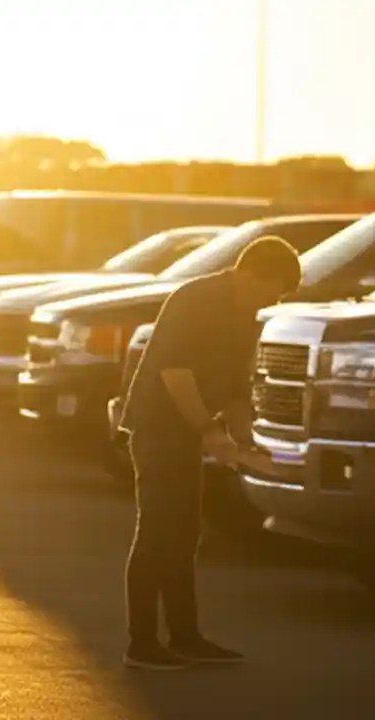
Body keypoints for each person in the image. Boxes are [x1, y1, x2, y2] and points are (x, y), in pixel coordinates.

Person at [119, 236, 300, 670]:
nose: (270, 301)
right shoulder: (196, 299)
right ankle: (141, 642)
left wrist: (245, 441)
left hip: (188, 428)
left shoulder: (243, 314)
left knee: (184, 532)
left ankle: (185, 636)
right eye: (271, 290)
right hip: (157, 425)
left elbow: (236, 391)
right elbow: (175, 372)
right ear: (249, 273)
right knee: (158, 531)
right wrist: (207, 430)